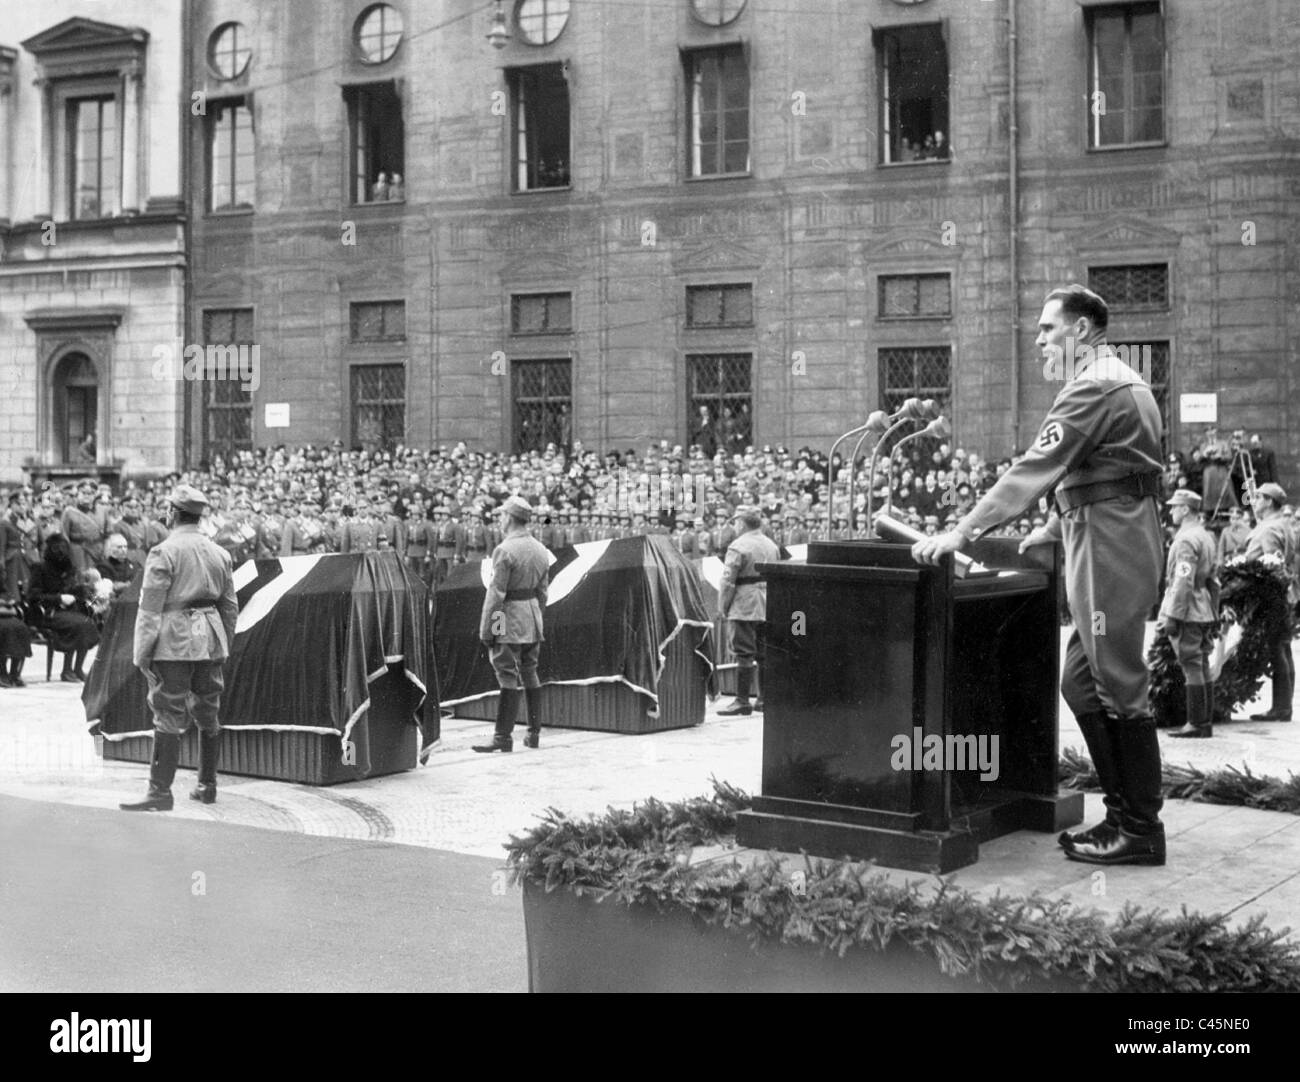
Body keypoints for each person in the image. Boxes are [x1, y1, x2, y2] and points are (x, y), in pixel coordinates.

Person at [912, 284, 1166, 866]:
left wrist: (962, 531)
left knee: (1120, 683)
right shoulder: (1120, 379)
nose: (1041, 340)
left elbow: (1038, 465)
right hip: (1102, 535)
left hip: (1109, 547)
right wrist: (1054, 528)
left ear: (1081, 330)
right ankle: (1124, 816)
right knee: (1081, 680)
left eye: (1049, 329)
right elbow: (1117, 468)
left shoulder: (1094, 384)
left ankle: (1141, 830)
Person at [120, 486, 238, 812]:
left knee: (168, 713)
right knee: (207, 710)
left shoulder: (163, 552)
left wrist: (142, 654)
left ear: (172, 513)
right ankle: (207, 785)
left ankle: (160, 792)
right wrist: (223, 644)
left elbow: (149, 609)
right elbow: (229, 608)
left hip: (173, 642)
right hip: (211, 639)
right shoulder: (220, 553)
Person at [473, 496, 550, 753]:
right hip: (532, 618)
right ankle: (534, 733)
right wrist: (535, 618)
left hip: (508, 619)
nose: (500, 520)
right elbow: (543, 593)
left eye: (502, 515)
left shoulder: (504, 550)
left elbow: (496, 595)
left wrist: (489, 631)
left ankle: (502, 737)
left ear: (510, 518)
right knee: (530, 671)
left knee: (506, 673)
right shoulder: (540, 549)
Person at [1158, 490, 1220, 738]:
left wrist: (1173, 616)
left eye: (1174, 507)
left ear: (1185, 509)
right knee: (1201, 663)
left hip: (1188, 608)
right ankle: (1204, 721)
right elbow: (1214, 579)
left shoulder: (1185, 540)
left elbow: (1183, 581)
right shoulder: (1205, 536)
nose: (1171, 511)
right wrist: (1214, 611)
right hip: (1203, 605)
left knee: (1191, 664)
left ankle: (1196, 723)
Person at [716, 506, 780, 716]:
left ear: (742, 523)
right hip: (767, 602)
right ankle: (763, 699)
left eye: (735, 522)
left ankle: (742, 700)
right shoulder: (771, 545)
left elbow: (727, 581)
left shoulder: (738, 545)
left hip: (744, 604)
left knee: (743, 652)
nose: (734, 526)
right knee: (764, 652)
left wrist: (723, 606)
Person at [1240, 482, 1295, 721]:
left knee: (1277, 647)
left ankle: (1281, 708)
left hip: (1271, 595)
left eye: (1260, 497)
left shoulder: (1270, 528)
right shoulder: (1283, 525)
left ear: (1270, 502)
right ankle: (1284, 706)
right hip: (1282, 594)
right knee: (1283, 646)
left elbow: (1272, 565)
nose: (1255, 501)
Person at [30, 533, 100, 682]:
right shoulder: (40, 568)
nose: (61, 552)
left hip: (68, 611)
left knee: (88, 621)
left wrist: (83, 590)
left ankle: (78, 669)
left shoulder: (69, 568)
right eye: (57, 549)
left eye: (63, 548)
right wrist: (59, 598)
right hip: (48, 612)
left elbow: (73, 591)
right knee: (79, 624)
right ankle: (66, 670)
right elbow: (34, 597)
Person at [0, 594, 33, 688]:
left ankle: (14, 673)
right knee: (3, 629)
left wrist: (8, 600)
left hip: (4, 612)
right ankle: (2, 673)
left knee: (21, 627)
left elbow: (5, 591)